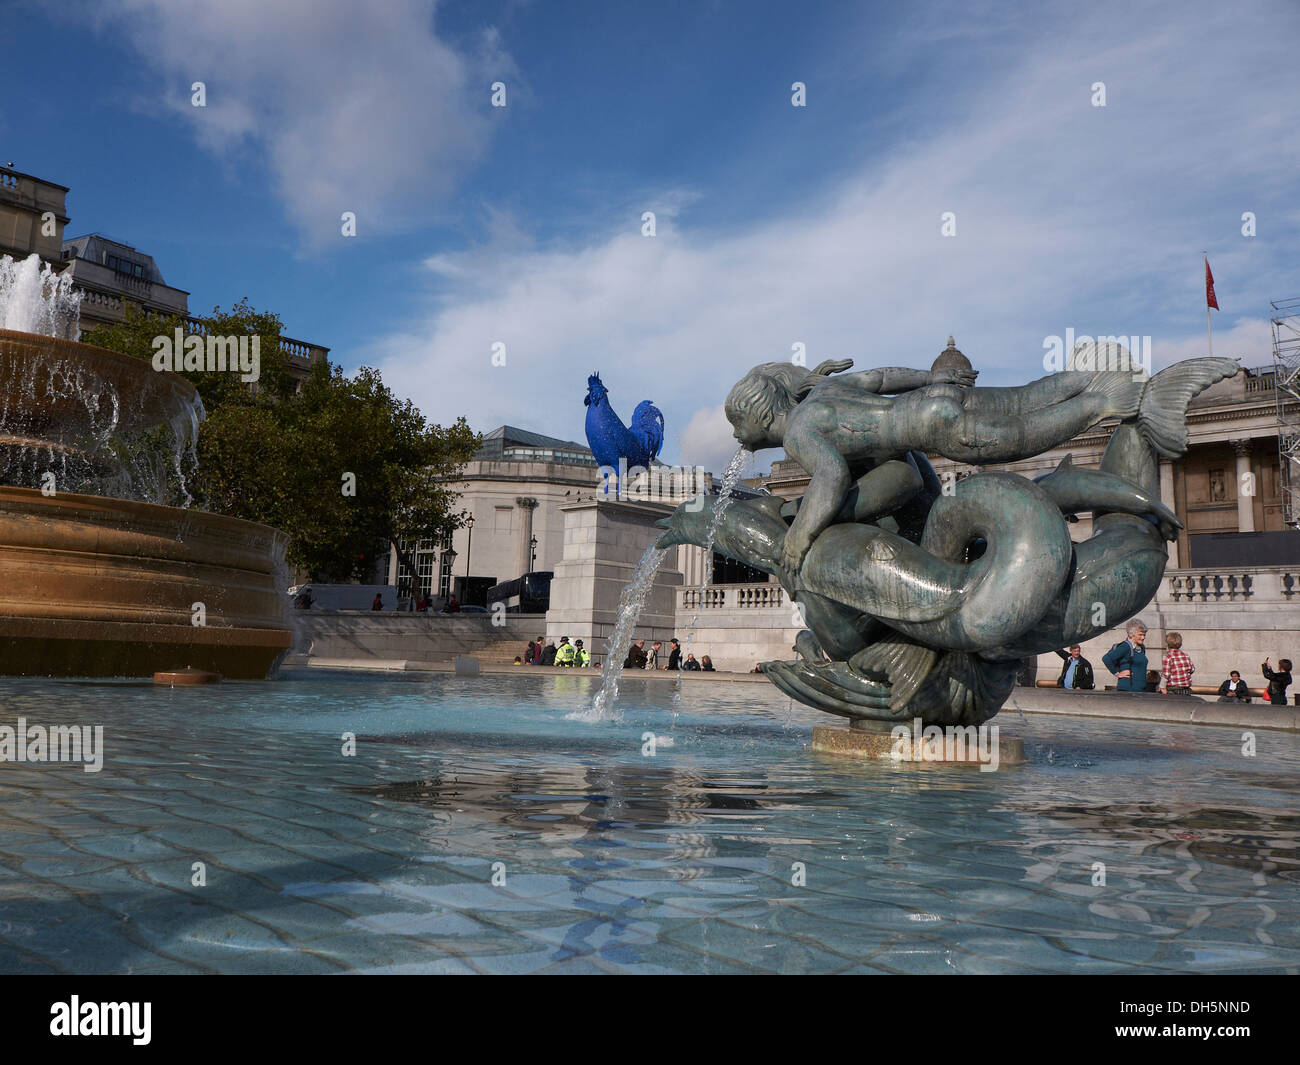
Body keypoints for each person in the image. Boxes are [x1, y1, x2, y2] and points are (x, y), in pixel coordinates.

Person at [724, 357, 1144, 581]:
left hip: (935, 429)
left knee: (1020, 436)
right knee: (1020, 400)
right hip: (932, 401)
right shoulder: (825, 391)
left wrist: (799, 537)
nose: (737, 438)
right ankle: (1090, 377)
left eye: (737, 427)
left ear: (759, 419)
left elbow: (831, 477)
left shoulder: (799, 433)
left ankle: (1102, 404)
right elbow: (880, 377)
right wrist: (933, 376)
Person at [1102, 618, 1149, 692]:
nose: (1143, 637)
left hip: (1140, 689)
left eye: (1144, 635)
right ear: (1131, 634)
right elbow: (1106, 658)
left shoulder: (1142, 647)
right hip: (1127, 690)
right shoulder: (1125, 646)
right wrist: (1117, 673)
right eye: (1140, 635)